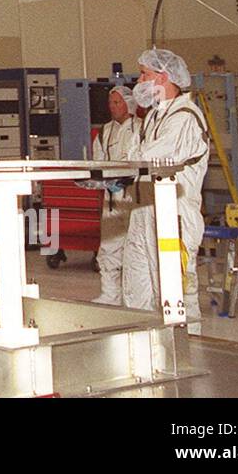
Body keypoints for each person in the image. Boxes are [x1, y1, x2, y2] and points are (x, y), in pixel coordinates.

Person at [123, 48, 210, 333]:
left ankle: (188, 352)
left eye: (144, 74)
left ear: (163, 77)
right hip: (144, 213)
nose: (139, 81)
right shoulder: (153, 117)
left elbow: (149, 158)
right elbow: (131, 155)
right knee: (138, 291)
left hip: (173, 218)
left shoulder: (185, 117)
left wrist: (114, 169)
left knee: (174, 293)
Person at [89, 85, 141, 305]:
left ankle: (136, 296)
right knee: (109, 247)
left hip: (136, 198)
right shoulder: (104, 131)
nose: (113, 107)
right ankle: (110, 293)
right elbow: (97, 163)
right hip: (112, 199)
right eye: (111, 103)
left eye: (117, 102)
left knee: (136, 249)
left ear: (129, 104)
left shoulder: (142, 128)